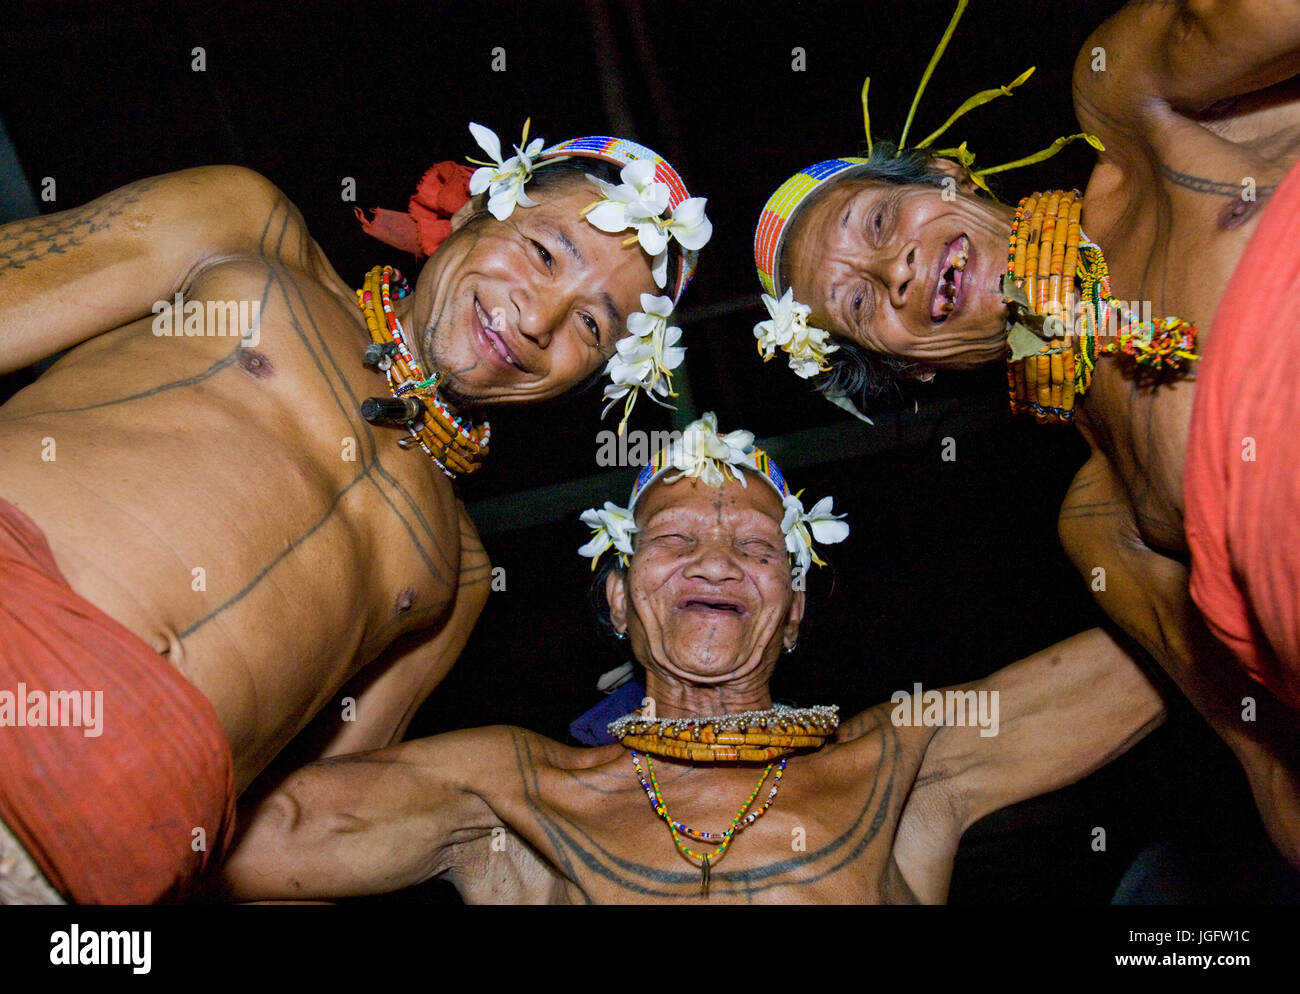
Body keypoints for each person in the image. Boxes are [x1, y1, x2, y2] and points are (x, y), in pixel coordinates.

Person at [0, 123, 712, 903]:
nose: (538, 318)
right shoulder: (248, 234)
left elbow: (300, 829)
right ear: (480, 206)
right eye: (544, 254)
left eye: (590, 326)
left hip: (95, 863)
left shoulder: (458, 574)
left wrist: (533, 803)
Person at [750, 1, 1300, 867]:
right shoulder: (1105, 524)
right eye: (859, 306)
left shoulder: (1130, 114)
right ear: (914, 367)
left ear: (944, 175)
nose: (894, 270)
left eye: (882, 223)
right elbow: (1270, 755)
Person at [215, 414, 1163, 904]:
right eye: (672, 543)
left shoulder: (904, 761)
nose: (716, 558)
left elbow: (1180, 642)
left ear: (791, 613)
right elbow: (250, 833)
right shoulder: (511, 790)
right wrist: (435, 611)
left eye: (756, 548)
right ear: (621, 598)